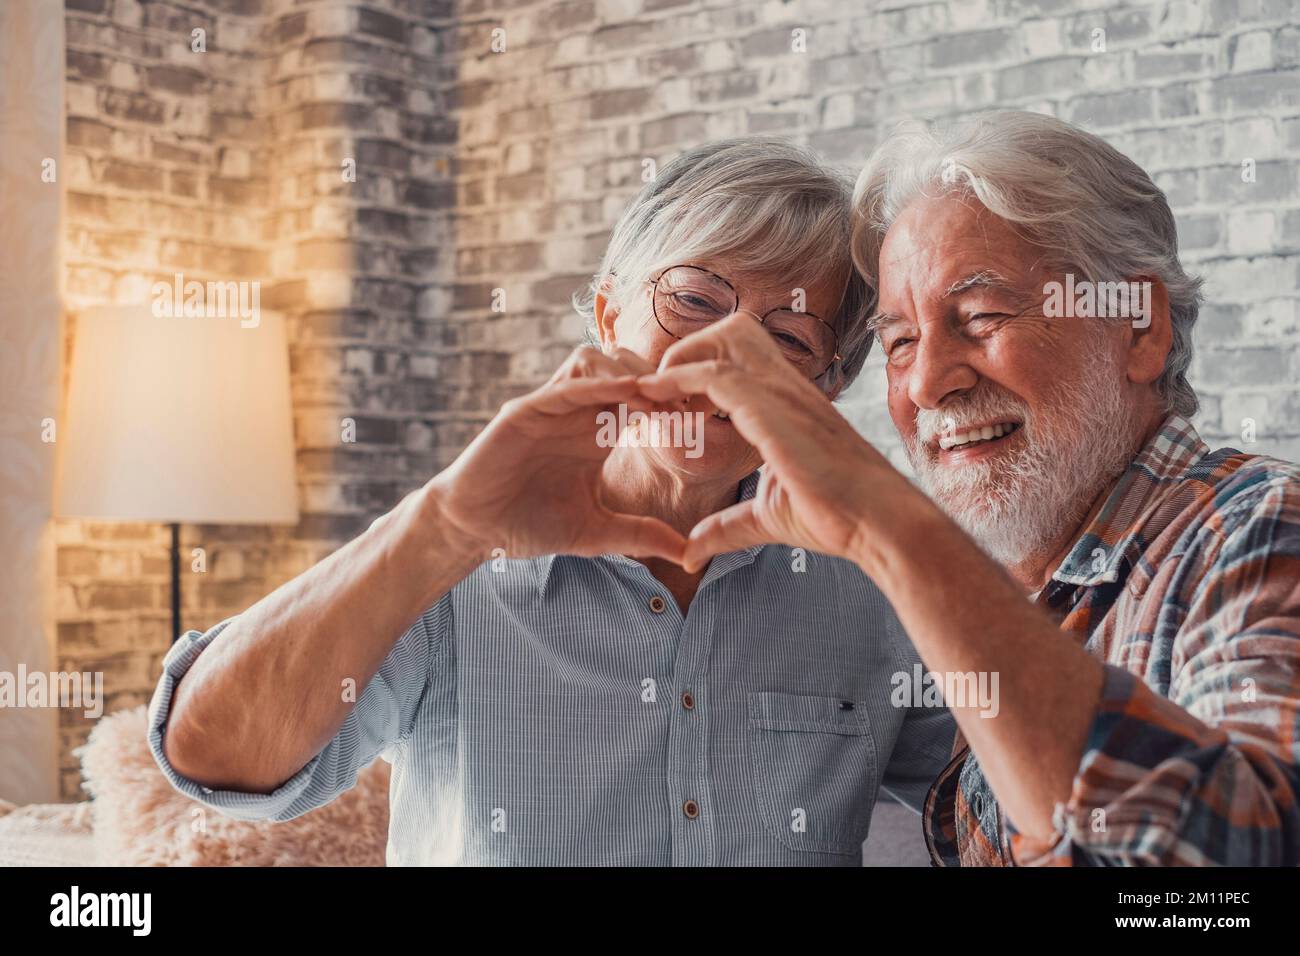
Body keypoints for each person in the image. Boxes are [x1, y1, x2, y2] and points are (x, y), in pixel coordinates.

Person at [148, 138, 955, 866]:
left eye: (787, 336)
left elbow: (1022, 814)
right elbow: (214, 756)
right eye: (695, 300)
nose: (722, 355)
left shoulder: (869, 584)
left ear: (826, 387)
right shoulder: (450, 563)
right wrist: (445, 527)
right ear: (609, 314)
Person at [637, 111, 1300, 865]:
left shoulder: (1260, 528)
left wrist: (900, 533)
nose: (926, 383)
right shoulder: (1010, 595)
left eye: (982, 318)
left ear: (1138, 328)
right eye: (899, 342)